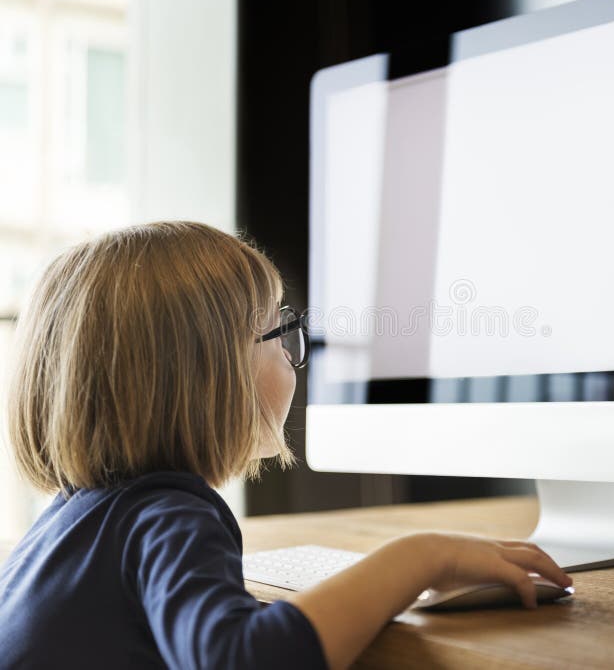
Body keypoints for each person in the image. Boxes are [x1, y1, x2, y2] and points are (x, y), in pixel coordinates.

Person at [0, 221, 572, 670]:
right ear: (210, 374)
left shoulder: (67, 525)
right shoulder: (169, 516)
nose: (294, 355)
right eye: (278, 332)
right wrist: (421, 556)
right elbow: (248, 660)